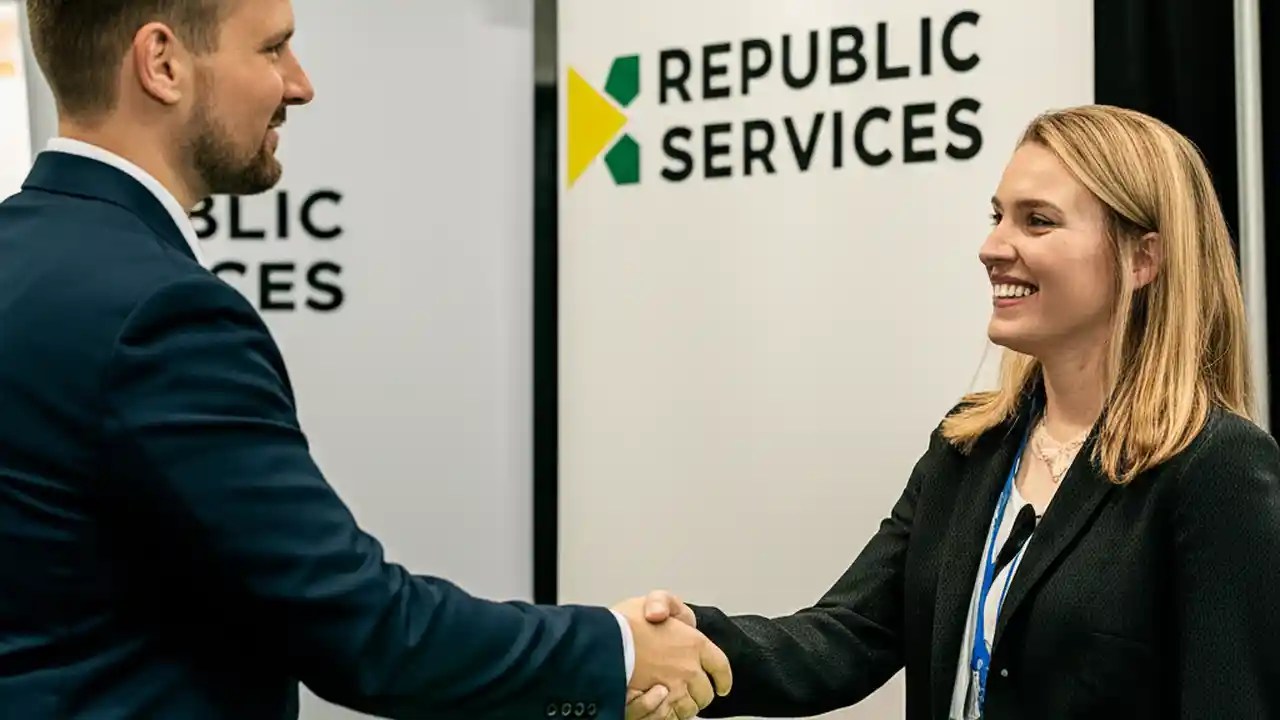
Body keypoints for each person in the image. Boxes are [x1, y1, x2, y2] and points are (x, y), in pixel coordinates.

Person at [0, 1, 730, 718]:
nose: (300, 82)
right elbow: (368, 633)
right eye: (272, 48)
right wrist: (618, 651)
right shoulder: (161, 314)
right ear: (162, 63)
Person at [623, 104, 1280, 719]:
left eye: (1037, 221)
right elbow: (850, 635)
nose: (993, 247)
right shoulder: (970, 443)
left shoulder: (1213, 466)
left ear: (1144, 258)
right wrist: (682, 643)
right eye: (996, 216)